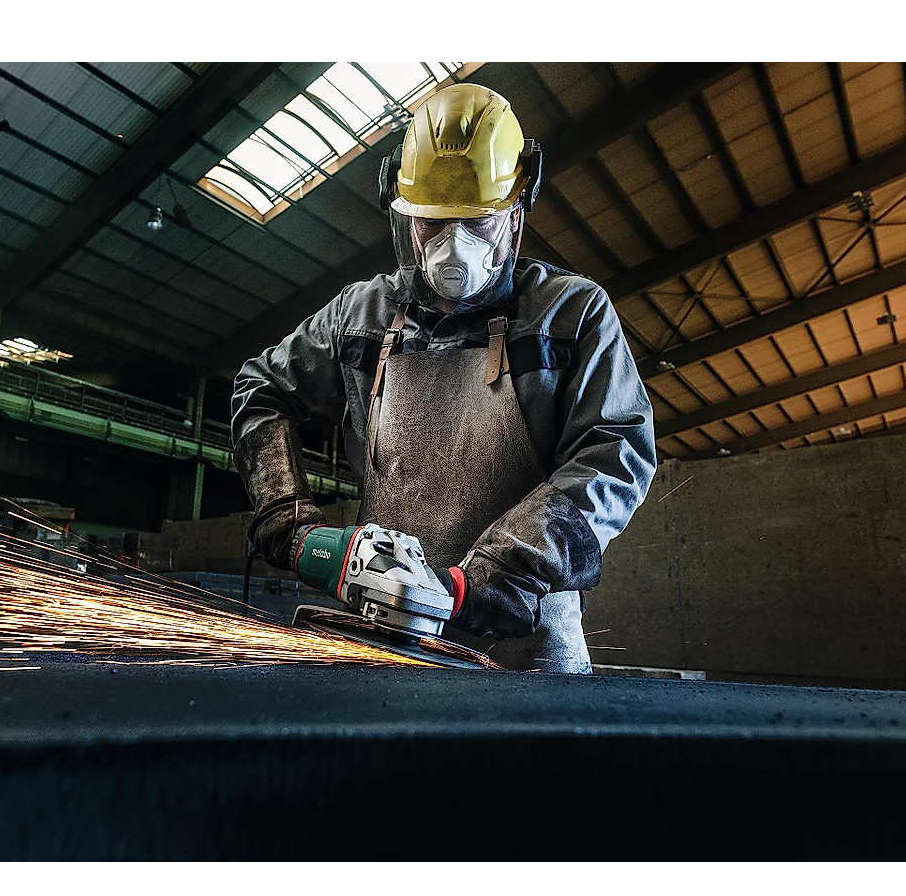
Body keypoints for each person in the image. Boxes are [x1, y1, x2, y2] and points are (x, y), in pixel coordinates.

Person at [231, 82, 656, 673]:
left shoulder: (569, 313)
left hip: (525, 647)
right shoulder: (361, 316)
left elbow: (616, 453)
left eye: (479, 223)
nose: (455, 248)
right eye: (433, 224)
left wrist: (490, 576)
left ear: (516, 213)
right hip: (387, 633)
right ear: (405, 219)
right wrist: (287, 517)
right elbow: (261, 390)